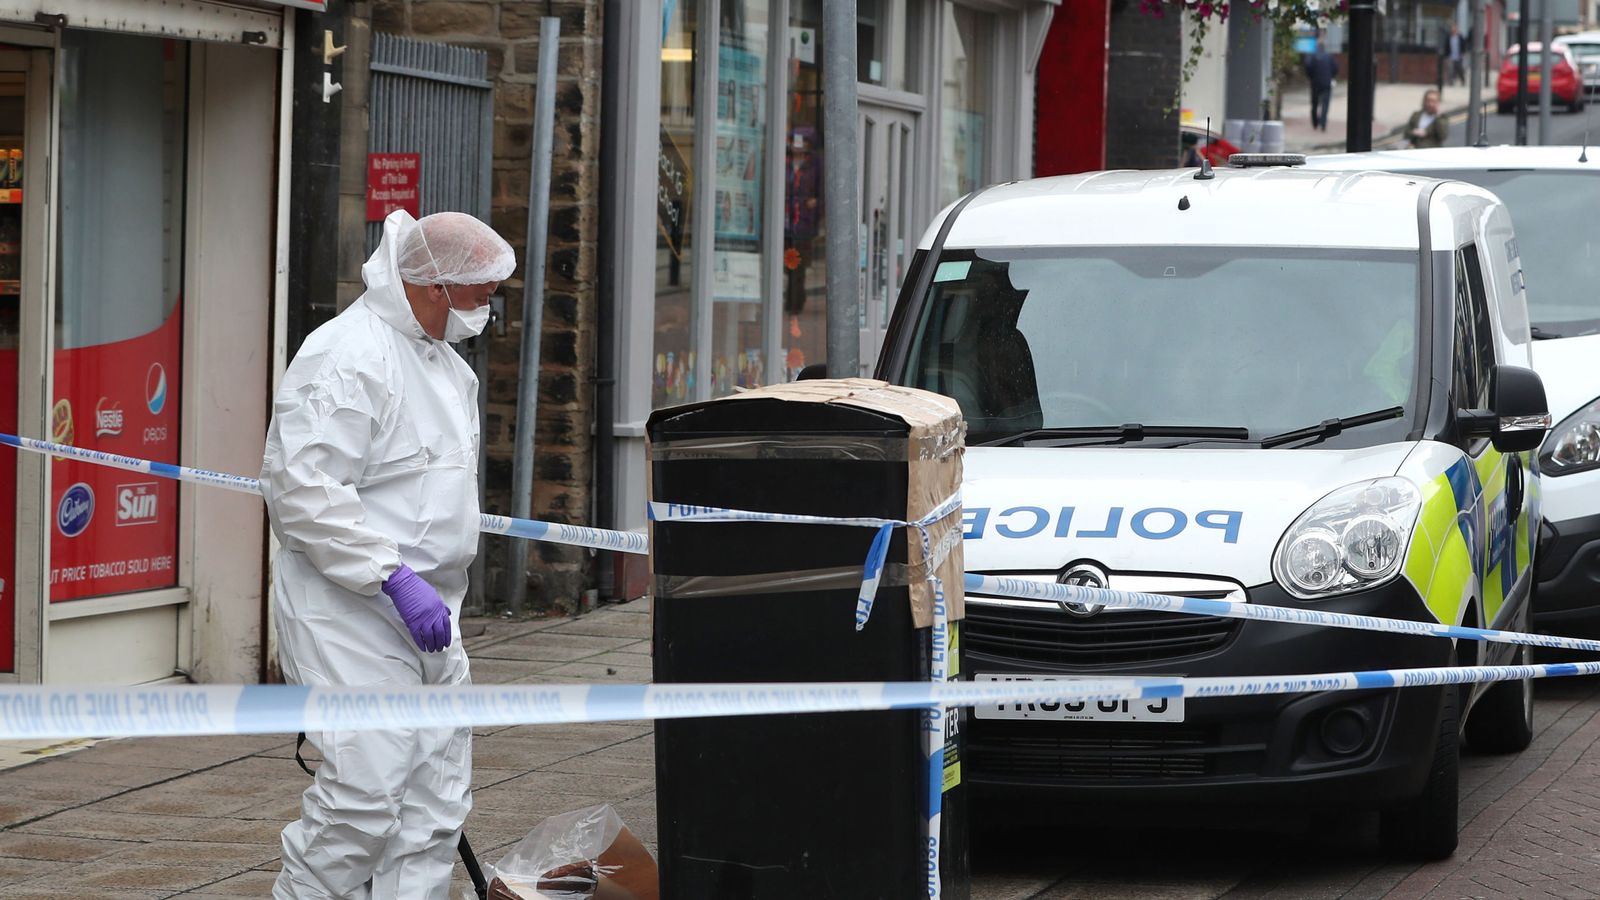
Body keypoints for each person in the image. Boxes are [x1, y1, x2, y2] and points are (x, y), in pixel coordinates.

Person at [262, 209, 514, 899]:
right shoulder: (346, 356)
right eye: (480, 295)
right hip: (349, 613)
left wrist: (422, 589)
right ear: (436, 287)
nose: (486, 310)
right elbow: (302, 489)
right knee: (362, 799)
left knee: (433, 806)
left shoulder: (445, 368)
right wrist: (392, 575)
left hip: (432, 615)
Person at [1305, 41, 1339, 132]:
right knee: (1325, 104)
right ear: (1324, 47)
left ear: (1317, 46)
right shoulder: (1329, 56)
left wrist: (1311, 77)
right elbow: (1336, 68)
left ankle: (1315, 123)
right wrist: (1331, 76)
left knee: (1314, 103)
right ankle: (1323, 124)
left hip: (1315, 83)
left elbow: (1308, 67)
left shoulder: (1312, 56)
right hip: (1326, 83)